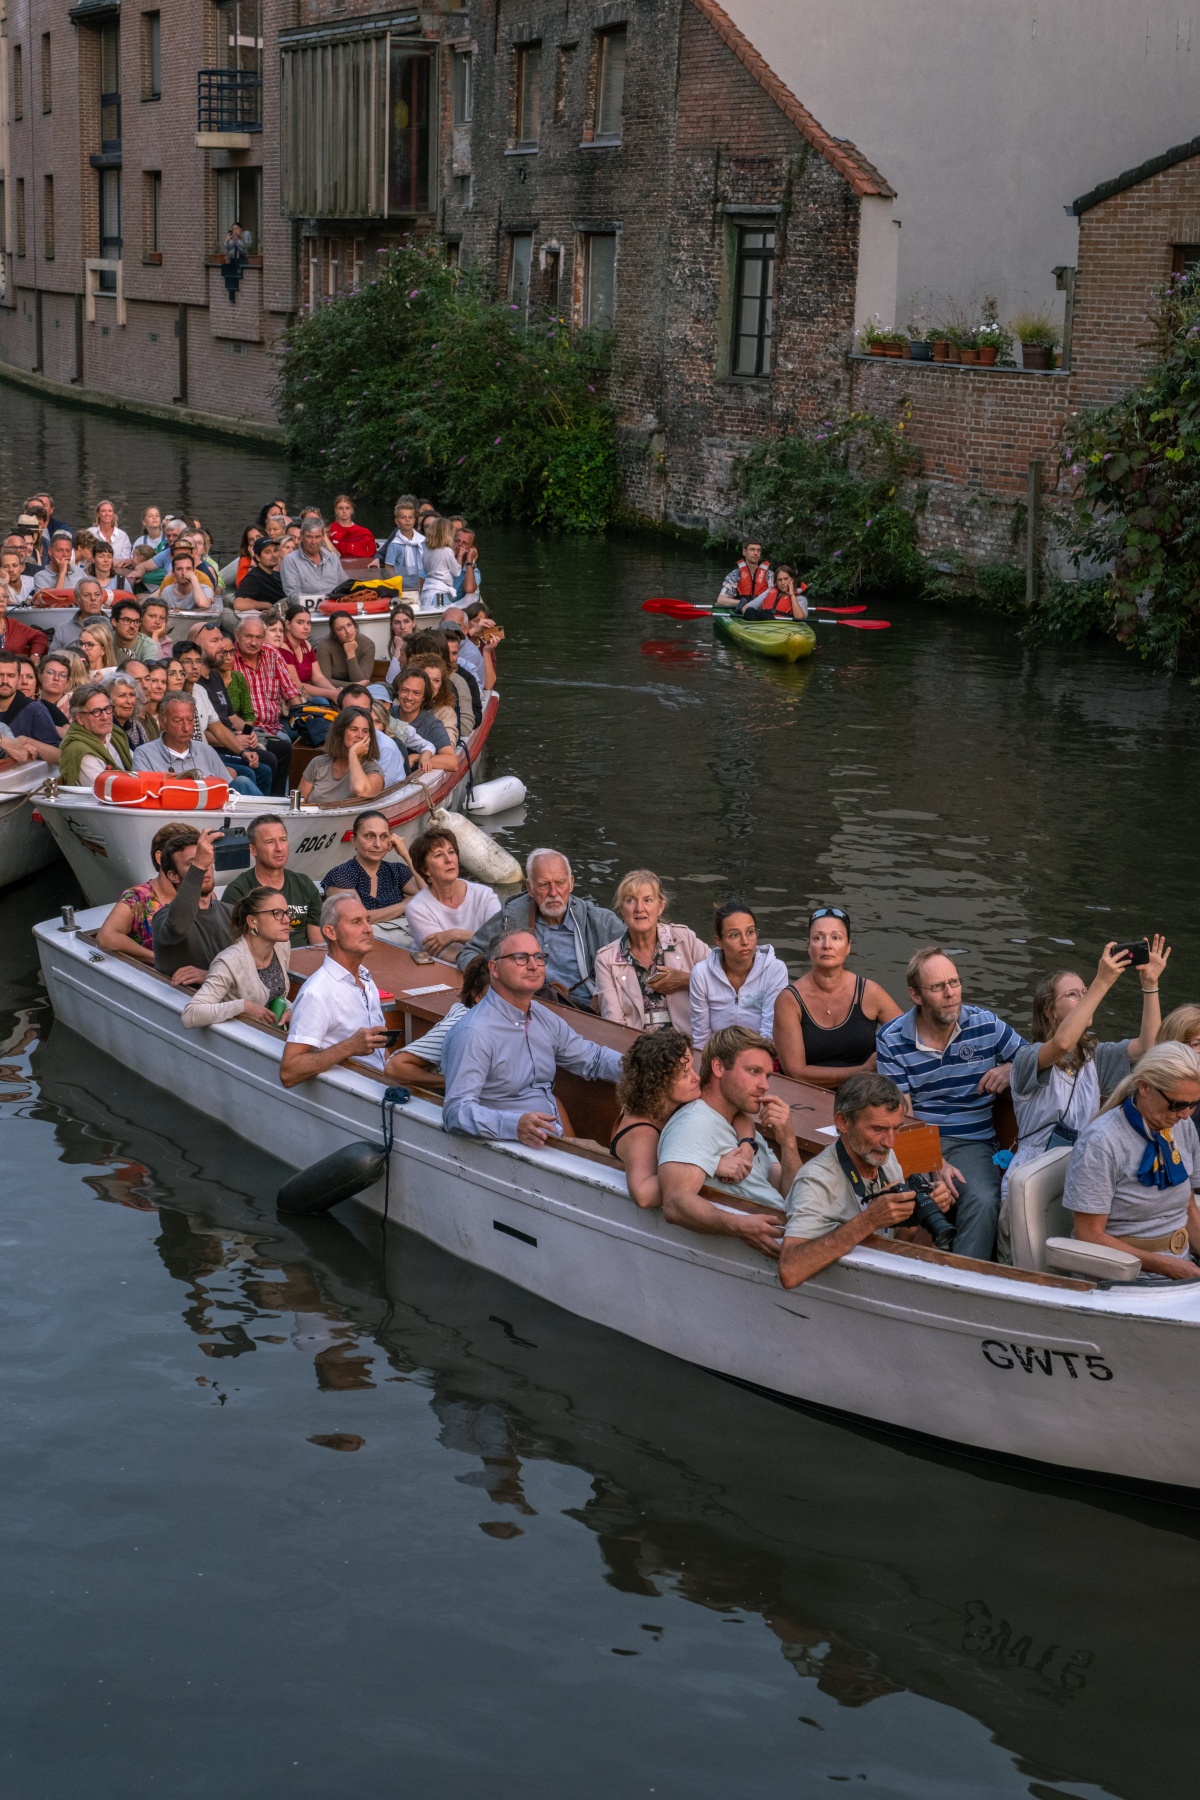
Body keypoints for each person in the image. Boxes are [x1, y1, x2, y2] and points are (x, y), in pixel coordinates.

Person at [875, 945, 1025, 1261]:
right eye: (937, 987)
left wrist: (1011, 1068)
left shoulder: (986, 1025)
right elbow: (902, 1116)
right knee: (910, 1196)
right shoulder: (892, 1038)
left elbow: (1034, 1058)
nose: (950, 993)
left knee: (983, 1199)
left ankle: (964, 1276)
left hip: (972, 1143)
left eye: (954, 982)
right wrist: (933, 1163)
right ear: (915, 995)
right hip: (913, 1136)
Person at [1005, 938, 1168, 1191]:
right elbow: (1062, 1044)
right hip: (1032, 1178)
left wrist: (1150, 985)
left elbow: (1147, 1047)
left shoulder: (1095, 1056)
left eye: (1085, 992)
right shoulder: (1027, 1057)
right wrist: (1102, 982)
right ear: (1050, 1011)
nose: (1084, 999)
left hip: (1080, 1171)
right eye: (1073, 995)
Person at [443, 928, 623, 1144]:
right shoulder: (474, 1032)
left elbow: (592, 1059)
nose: (533, 965)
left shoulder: (543, 1017)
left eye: (539, 957)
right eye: (520, 958)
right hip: (510, 1146)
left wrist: (642, 1069)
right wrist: (514, 1125)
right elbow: (456, 1111)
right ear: (494, 968)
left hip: (554, 1141)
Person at [778, 1072, 954, 1288]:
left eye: (896, 1128)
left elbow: (902, 1247)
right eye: (878, 1129)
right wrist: (870, 1220)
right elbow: (789, 1271)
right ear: (843, 1121)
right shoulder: (816, 1181)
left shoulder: (885, 1158)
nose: (889, 1142)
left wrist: (928, 1215)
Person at [657, 1025, 801, 1256]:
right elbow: (675, 1203)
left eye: (767, 1076)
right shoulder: (694, 1122)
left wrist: (789, 1143)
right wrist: (741, 1226)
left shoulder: (745, 1129)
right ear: (719, 1067)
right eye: (754, 1071)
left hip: (791, 1237)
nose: (764, 1085)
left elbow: (791, 1196)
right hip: (763, 1250)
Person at [1063, 1042, 1200, 1281]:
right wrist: (1168, 1267)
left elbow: (1188, 1207)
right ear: (1144, 1087)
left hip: (1181, 1268)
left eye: (1194, 1104)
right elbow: (1090, 1237)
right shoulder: (1101, 1143)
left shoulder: (1181, 1126)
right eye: (1177, 1104)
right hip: (1124, 1278)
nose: (1186, 1115)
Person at [611, 1027, 756, 1210]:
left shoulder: (680, 1099)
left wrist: (747, 1145)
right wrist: (710, 1164)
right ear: (659, 1085)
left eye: (692, 1068)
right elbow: (643, 1195)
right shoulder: (642, 1133)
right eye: (685, 1074)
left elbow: (739, 1113)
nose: (696, 1078)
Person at [457, 848, 622, 1005]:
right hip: (524, 1005)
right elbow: (470, 953)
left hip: (582, 1011)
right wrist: (500, 980)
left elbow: (634, 955)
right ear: (530, 888)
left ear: (571, 884)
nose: (553, 892)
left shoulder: (599, 921)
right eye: (544, 885)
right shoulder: (513, 917)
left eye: (560, 883)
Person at [774, 907, 903, 1088]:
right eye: (818, 938)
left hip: (864, 1094)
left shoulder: (870, 993)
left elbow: (908, 1037)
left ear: (848, 946)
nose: (827, 945)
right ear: (809, 947)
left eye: (836, 937)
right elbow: (795, 1072)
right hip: (806, 1096)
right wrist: (863, 1070)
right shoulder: (789, 1000)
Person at [279, 893, 391, 1085]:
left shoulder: (365, 978)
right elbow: (289, 1072)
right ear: (331, 932)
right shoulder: (316, 993)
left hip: (381, 1084)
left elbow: (379, 1051)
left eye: (367, 920)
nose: (368, 929)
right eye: (356, 922)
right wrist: (349, 1047)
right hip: (357, 1091)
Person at [594, 870, 708, 1032]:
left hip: (689, 1040)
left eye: (647, 900)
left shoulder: (684, 939)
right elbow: (615, 1024)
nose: (639, 908)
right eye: (630, 900)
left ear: (660, 907)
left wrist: (686, 980)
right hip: (635, 1044)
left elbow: (721, 980)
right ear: (622, 910)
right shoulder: (606, 959)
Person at [182, 885, 293, 1029]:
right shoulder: (230, 962)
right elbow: (190, 1014)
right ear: (252, 921)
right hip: (241, 1037)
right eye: (277, 913)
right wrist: (242, 1006)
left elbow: (276, 994)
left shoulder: (281, 946)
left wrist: (290, 1008)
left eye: (287, 913)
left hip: (270, 1035)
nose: (286, 920)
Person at [689, 900, 790, 1049]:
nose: (745, 941)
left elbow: (770, 1033)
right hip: (718, 1055)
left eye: (750, 932)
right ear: (719, 941)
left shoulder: (774, 970)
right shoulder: (701, 974)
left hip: (762, 1054)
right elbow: (701, 1039)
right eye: (734, 935)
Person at [383, 955, 491, 1091]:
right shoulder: (460, 1025)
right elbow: (395, 1068)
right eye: (500, 991)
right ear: (477, 996)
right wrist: (456, 1083)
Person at [223, 814, 324, 948]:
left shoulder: (304, 884)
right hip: (259, 959)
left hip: (303, 958)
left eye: (283, 840)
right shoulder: (238, 891)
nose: (279, 848)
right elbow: (234, 944)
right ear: (253, 850)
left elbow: (317, 941)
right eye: (270, 842)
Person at [96, 821, 191, 964]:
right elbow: (106, 937)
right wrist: (158, 959)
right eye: (190, 861)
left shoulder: (202, 895)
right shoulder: (137, 898)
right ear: (160, 858)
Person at [151, 826, 233, 986]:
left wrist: (211, 975)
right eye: (192, 863)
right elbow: (177, 928)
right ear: (173, 876)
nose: (205, 868)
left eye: (208, 860)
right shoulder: (162, 917)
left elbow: (253, 968)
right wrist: (199, 866)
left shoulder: (231, 913)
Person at [131, 692, 260, 794]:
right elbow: (145, 795)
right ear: (162, 721)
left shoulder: (207, 751)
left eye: (190, 720)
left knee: (242, 782)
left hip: (212, 815)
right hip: (169, 815)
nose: (186, 728)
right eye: (178, 721)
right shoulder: (145, 754)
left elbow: (229, 790)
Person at [404, 827, 500, 954]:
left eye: (451, 852)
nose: (449, 859)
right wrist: (485, 946)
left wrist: (456, 935)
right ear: (425, 869)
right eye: (438, 855)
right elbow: (447, 955)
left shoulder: (485, 895)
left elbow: (500, 940)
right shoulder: (417, 908)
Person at [232, 614, 298, 795]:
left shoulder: (272, 654)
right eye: (248, 636)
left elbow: (291, 692)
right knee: (272, 755)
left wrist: (302, 718)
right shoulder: (229, 659)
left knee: (289, 745)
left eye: (258, 637)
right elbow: (228, 711)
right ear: (237, 635)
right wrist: (245, 731)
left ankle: (281, 800)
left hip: (274, 727)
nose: (253, 642)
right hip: (244, 729)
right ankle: (268, 801)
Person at [320, 809, 418, 920]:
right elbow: (358, 918)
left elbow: (429, 894)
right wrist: (404, 905)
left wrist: (406, 854)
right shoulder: (340, 875)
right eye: (369, 836)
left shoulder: (396, 871)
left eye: (383, 836)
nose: (378, 844)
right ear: (354, 840)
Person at [297, 708, 384, 805]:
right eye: (354, 729)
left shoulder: (372, 769)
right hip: (313, 814)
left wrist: (353, 754)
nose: (360, 735)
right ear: (340, 732)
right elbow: (299, 804)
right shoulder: (318, 763)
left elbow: (361, 790)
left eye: (365, 731)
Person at [0, 649, 61, 768]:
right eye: (0, 675)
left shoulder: (34, 710)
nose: (5, 681)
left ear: (18, 678)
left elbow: (60, 756)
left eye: (11, 676)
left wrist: (29, 742)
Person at [393, 669, 457, 771]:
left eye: (416, 693)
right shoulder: (385, 715)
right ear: (398, 691)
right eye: (405, 690)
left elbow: (452, 762)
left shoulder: (432, 725)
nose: (409, 697)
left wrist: (416, 757)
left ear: (424, 697)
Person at [279, 604, 339, 699]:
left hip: (307, 695)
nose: (306, 627)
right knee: (323, 701)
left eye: (309, 623)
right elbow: (296, 685)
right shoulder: (283, 647)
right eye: (300, 623)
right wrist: (331, 694)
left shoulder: (306, 645)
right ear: (288, 624)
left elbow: (318, 677)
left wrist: (335, 691)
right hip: (291, 698)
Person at [281, 517, 344, 601]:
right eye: (309, 537)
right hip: (306, 608)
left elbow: (344, 586)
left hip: (335, 605)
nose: (314, 542)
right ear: (301, 536)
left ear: (323, 536)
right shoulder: (290, 560)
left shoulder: (332, 558)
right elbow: (293, 595)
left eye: (317, 537)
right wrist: (324, 602)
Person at [315, 610, 375, 686]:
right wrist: (353, 685)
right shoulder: (325, 644)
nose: (348, 631)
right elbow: (323, 681)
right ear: (334, 633)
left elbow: (362, 682)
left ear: (354, 625)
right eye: (340, 629)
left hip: (359, 691)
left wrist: (351, 654)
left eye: (349, 625)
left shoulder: (367, 644)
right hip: (332, 690)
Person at [378, 495, 426, 589]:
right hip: (402, 585)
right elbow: (388, 567)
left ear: (414, 520)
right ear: (397, 521)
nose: (407, 520)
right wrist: (397, 582)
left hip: (422, 583)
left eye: (410, 517)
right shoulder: (394, 544)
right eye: (403, 517)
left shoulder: (422, 541)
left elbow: (427, 562)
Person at [736, 564, 808, 621]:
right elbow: (745, 608)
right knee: (750, 611)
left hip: (785, 627)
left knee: (762, 614)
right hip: (764, 625)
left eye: (786, 579)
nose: (783, 583)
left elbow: (799, 618)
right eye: (779, 580)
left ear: (792, 580)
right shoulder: (770, 592)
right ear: (776, 582)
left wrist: (792, 595)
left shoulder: (800, 598)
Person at [235, 538, 287, 613]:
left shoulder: (277, 575)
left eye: (275, 551)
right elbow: (239, 603)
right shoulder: (254, 578)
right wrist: (266, 605)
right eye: (267, 552)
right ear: (258, 557)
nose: (273, 555)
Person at [418, 516, 460, 610]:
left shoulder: (426, 551)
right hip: (439, 593)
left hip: (427, 591)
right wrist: (460, 556)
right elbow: (457, 572)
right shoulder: (447, 551)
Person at [157, 548, 216, 613]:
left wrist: (194, 579)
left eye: (188, 569)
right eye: (179, 569)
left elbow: (203, 604)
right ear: (173, 573)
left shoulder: (205, 589)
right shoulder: (167, 591)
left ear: (194, 571)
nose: (184, 573)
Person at [718, 539, 772, 605]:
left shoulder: (769, 575)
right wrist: (746, 603)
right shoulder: (735, 575)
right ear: (744, 552)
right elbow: (721, 600)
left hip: (761, 609)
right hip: (741, 609)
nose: (756, 553)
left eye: (758, 550)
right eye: (752, 549)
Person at [106, 673, 151, 750]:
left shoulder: (137, 726)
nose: (129, 701)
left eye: (132, 695)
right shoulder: (105, 729)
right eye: (122, 695)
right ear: (107, 699)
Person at [328, 495, 377, 561]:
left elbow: (372, 555)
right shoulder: (328, 530)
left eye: (347, 508)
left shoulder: (364, 532)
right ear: (336, 510)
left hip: (361, 565)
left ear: (352, 510)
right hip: (337, 564)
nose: (344, 511)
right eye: (340, 508)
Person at [91, 500, 133, 565]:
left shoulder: (122, 536)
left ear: (113, 514)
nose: (107, 514)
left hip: (118, 569)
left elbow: (125, 561)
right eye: (103, 511)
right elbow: (87, 557)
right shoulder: (90, 533)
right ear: (98, 514)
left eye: (110, 511)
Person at [383, 603, 416, 687]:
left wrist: (399, 647)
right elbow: (391, 681)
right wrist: (398, 647)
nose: (402, 627)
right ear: (391, 625)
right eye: (397, 623)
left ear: (413, 623)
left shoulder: (422, 644)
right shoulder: (394, 645)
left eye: (406, 621)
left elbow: (391, 681)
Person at [451, 526, 480, 601]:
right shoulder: (441, 561)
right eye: (457, 541)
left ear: (472, 548)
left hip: (457, 606)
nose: (460, 545)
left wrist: (470, 560)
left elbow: (469, 589)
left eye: (465, 543)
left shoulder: (474, 572)